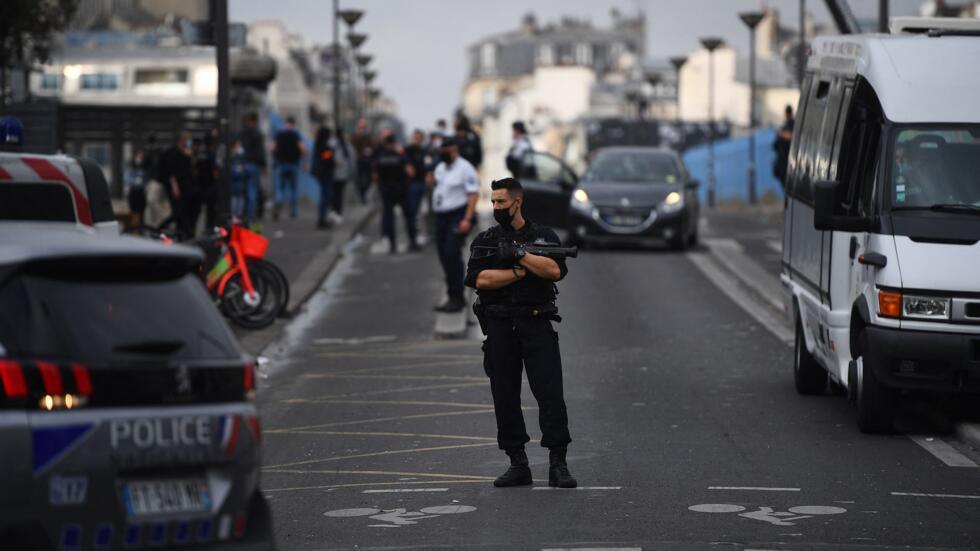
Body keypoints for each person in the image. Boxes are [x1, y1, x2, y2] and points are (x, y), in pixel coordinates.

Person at [464, 177, 576, 489]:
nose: (496, 207)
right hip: (500, 326)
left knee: (550, 394)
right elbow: (480, 280)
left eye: (501, 202)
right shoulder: (485, 240)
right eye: (493, 202)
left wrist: (519, 255)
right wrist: (520, 271)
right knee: (505, 396)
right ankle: (518, 463)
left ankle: (558, 463)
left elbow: (554, 271)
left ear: (517, 202)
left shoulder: (543, 236)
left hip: (536, 322)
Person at [429, 138, 479, 312]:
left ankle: (458, 297)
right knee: (443, 255)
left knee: (451, 253)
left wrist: (467, 218)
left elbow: (473, 195)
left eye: (446, 151)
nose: (443, 154)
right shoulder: (440, 168)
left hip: (457, 215)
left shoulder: (465, 168)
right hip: (441, 216)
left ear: (455, 150)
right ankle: (452, 295)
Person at [374, 134, 418, 253]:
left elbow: (376, 176)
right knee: (409, 216)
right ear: (394, 143)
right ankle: (413, 241)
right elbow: (410, 172)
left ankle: (392, 244)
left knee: (389, 217)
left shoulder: (381, 157)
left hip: (387, 191)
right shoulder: (401, 156)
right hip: (402, 190)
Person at [158, 131, 195, 238]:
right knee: (178, 212)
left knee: (182, 212)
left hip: (186, 187)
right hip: (177, 187)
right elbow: (171, 172)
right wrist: (174, 186)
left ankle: (181, 233)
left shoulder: (187, 152)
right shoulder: (172, 153)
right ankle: (161, 229)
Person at [272, 116, 306, 220]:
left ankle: (279, 200)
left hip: (281, 164)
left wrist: (277, 156)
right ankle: (293, 212)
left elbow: (273, 148)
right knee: (293, 189)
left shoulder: (279, 134)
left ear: (285, 123)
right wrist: (304, 160)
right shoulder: (296, 134)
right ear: (293, 124)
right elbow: (303, 149)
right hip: (294, 164)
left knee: (279, 187)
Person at [238, 113, 266, 223]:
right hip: (254, 164)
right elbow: (260, 151)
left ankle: (240, 213)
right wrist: (263, 164)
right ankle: (251, 215)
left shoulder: (241, 133)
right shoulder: (257, 134)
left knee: (241, 190)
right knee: (252, 191)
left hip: (242, 163)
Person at [404, 129, 430, 237]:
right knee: (412, 211)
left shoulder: (425, 151)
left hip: (423, 183)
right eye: (415, 138)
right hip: (413, 184)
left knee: (425, 210)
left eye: (419, 138)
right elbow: (404, 162)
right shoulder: (408, 150)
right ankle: (413, 235)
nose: (417, 140)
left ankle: (425, 233)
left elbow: (428, 164)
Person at [312, 126, 336, 229]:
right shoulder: (325, 147)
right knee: (326, 197)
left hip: (320, 173)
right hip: (325, 174)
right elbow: (327, 159)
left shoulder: (317, 145)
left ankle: (322, 219)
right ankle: (322, 219)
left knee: (324, 196)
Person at [331, 127, 354, 220]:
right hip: (343, 174)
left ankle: (334, 211)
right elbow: (351, 160)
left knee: (333, 193)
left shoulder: (331, 144)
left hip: (332, 173)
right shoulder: (347, 145)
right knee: (339, 194)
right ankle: (338, 212)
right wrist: (351, 173)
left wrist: (332, 161)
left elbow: (326, 155)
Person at [351, 117, 374, 204]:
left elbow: (372, 145)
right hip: (358, 159)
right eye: (361, 124)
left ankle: (364, 193)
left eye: (364, 124)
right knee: (359, 179)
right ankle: (362, 196)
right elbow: (353, 143)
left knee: (368, 179)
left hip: (368, 159)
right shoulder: (355, 134)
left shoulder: (369, 135)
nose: (363, 125)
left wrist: (370, 150)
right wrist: (360, 135)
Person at [124, 148, 147, 227]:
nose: (140, 156)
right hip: (133, 191)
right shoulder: (131, 166)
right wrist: (135, 181)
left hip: (142, 192)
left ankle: (140, 227)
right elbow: (127, 179)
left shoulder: (145, 165)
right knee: (134, 211)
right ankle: (134, 228)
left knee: (142, 211)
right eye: (139, 154)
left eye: (142, 154)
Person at [773, 105, 794, 188]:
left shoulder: (790, 125)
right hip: (783, 161)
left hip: (788, 161)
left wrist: (781, 134)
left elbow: (791, 136)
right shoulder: (784, 126)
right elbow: (775, 145)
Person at [230, 140, 249, 220]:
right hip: (235, 185)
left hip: (239, 185)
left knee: (240, 200)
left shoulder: (241, 159)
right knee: (235, 200)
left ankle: (238, 216)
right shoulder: (235, 159)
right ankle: (235, 216)